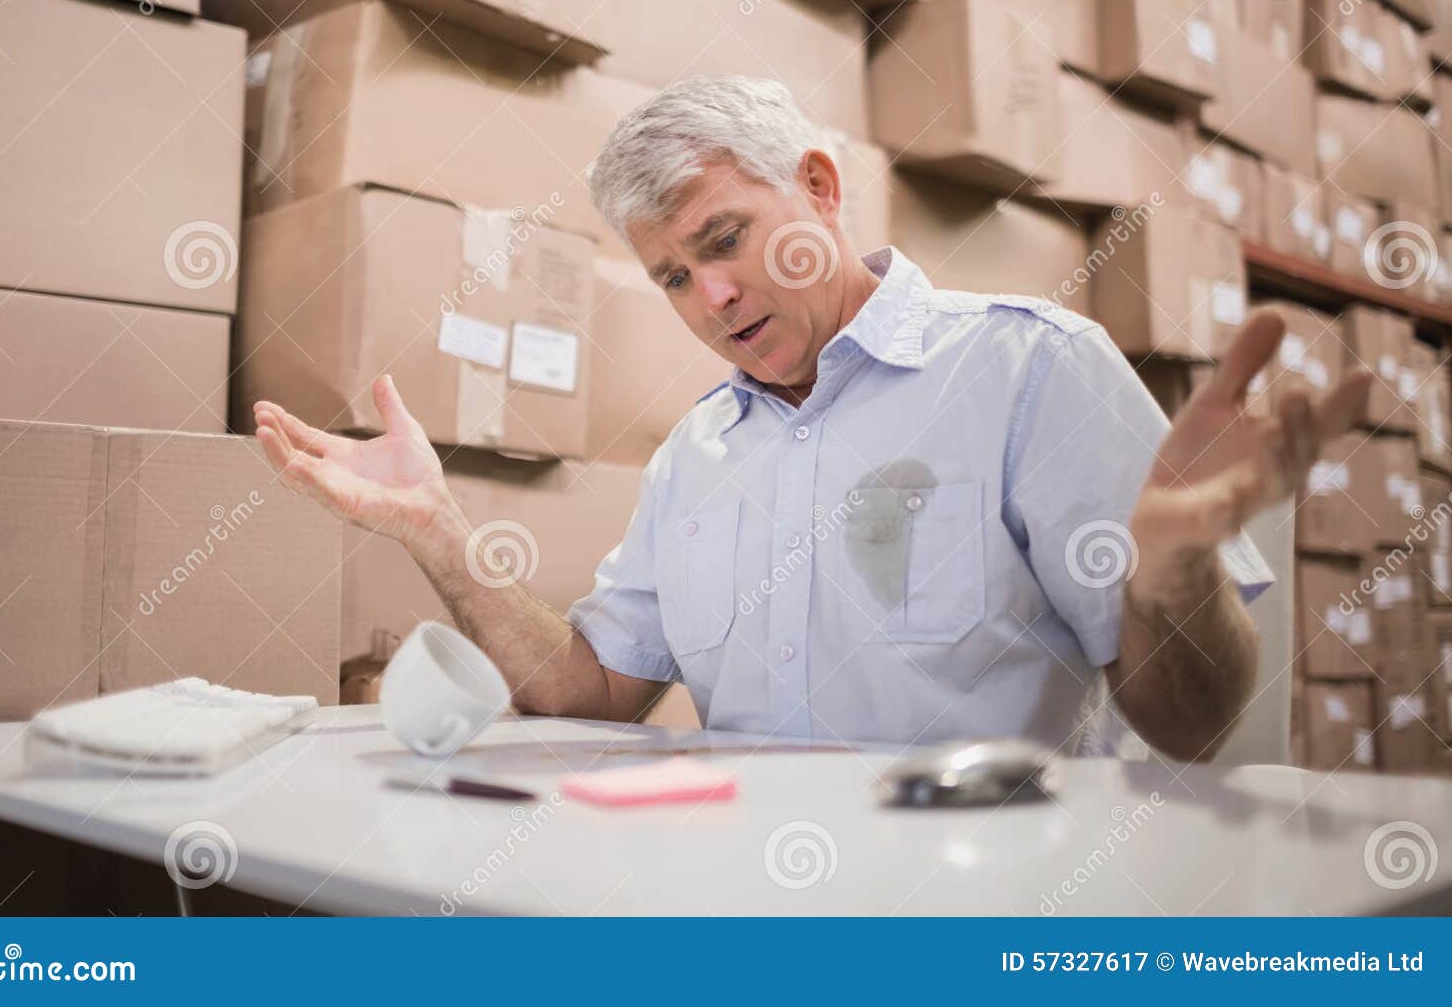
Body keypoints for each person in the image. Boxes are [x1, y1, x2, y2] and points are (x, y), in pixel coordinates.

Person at [254, 75, 1370, 762]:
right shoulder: (696, 453)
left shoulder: (1029, 369)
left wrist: (1173, 576)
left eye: (726, 239)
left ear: (822, 190)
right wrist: (442, 536)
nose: (714, 298)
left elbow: (1190, 723)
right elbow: (590, 689)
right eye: (674, 279)